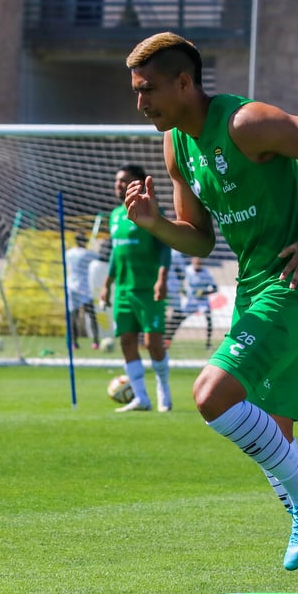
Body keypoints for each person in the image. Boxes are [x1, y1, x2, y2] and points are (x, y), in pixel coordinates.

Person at [123, 32, 298, 594]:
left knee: (211, 395)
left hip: (294, 285)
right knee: (278, 450)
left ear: (184, 82)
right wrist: (152, 223)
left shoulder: (247, 123)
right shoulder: (176, 149)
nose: (140, 104)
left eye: (148, 91)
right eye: (135, 94)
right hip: (253, 290)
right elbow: (198, 239)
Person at [98, 163, 173, 413]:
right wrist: (107, 285)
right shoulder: (115, 216)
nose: (118, 185)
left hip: (148, 289)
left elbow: (164, 247)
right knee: (127, 342)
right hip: (123, 291)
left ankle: (163, 390)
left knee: (153, 343)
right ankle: (141, 397)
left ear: (138, 184)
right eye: (117, 181)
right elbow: (116, 253)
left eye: (124, 181)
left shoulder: (151, 211)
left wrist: (162, 278)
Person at [65, 232, 100, 350]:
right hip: (84, 287)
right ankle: (96, 341)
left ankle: (74, 343)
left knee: (73, 316)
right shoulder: (88, 254)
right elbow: (99, 258)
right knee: (91, 315)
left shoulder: (69, 253)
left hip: (71, 286)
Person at [181, 256, 218, 350]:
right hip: (191, 301)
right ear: (192, 261)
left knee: (209, 319)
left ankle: (208, 344)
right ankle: (168, 340)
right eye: (195, 260)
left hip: (203, 301)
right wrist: (182, 290)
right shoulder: (188, 270)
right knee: (178, 319)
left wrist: (204, 293)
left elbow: (215, 288)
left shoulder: (206, 273)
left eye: (199, 261)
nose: (197, 263)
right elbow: (180, 280)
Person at [162, 248, 188, 347]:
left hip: (157, 286)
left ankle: (160, 337)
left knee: (160, 312)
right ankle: (167, 338)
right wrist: (181, 286)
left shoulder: (156, 247)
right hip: (172, 287)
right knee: (178, 314)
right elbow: (183, 271)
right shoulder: (175, 252)